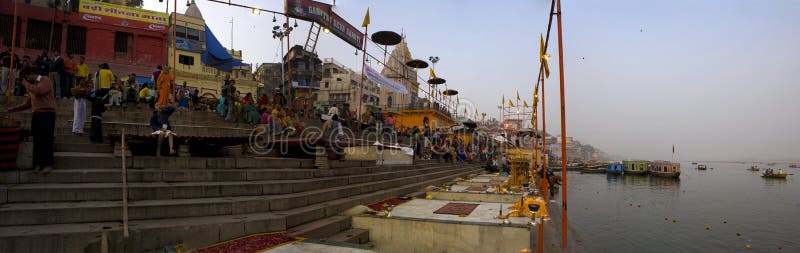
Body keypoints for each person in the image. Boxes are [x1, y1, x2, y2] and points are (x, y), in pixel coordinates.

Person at [7, 67, 56, 174]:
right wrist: (13, 109)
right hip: (36, 115)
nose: (26, 80)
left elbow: (39, 91)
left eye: (26, 77)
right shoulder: (32, 86)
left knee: (46, 140)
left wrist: (26, 84)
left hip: (47, 114)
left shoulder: (45, 80)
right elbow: (27, 104)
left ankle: (48, 164)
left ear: (32, 74)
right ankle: (38, 164)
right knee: (37, 140)